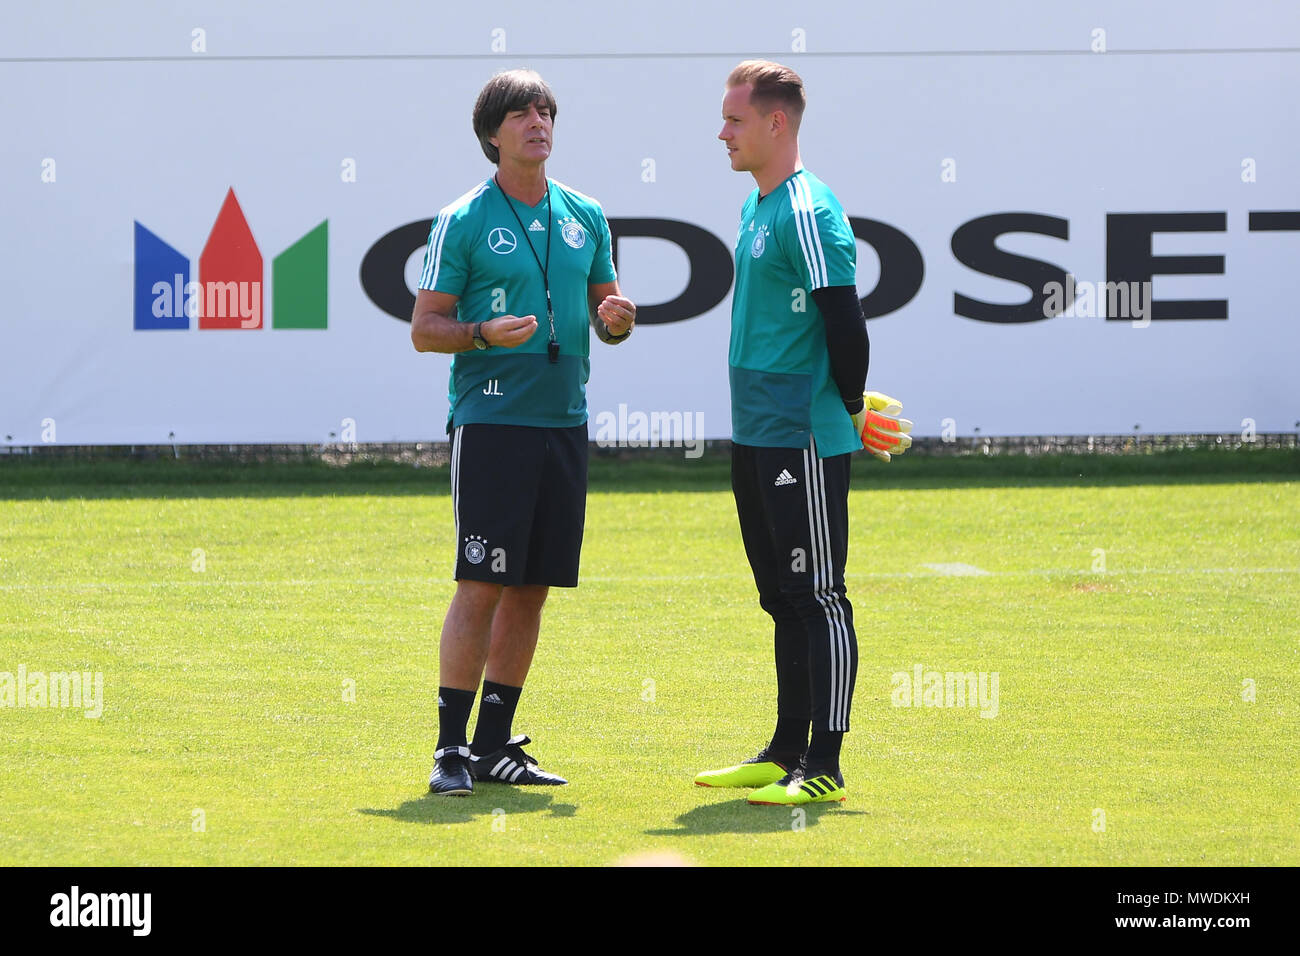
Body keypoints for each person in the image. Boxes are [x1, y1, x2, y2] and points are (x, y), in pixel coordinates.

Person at [411, 69, 636, 796]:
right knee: (480, 583)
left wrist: (618, 320)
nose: (538, 121)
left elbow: (608, 309)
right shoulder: (465, 218)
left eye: (545, 110)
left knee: (532, 588)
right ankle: (449, 749)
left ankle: (495, 745)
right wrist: (480, 333)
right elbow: (425, 329)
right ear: (492, 134)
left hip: (564, 421)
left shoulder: (587, 214)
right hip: (494, 422)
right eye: (521, 113)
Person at [694, 60, 910, 806]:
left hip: (803, 437)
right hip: (755, 434)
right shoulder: (759, 205)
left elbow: (845, 321)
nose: (721, 131)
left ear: (775, 122)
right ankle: (785, 747)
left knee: (819, 594)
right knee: (781, 596)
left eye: (734, 119)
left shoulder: (809, 210)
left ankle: (825, 764)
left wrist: (847, 406)